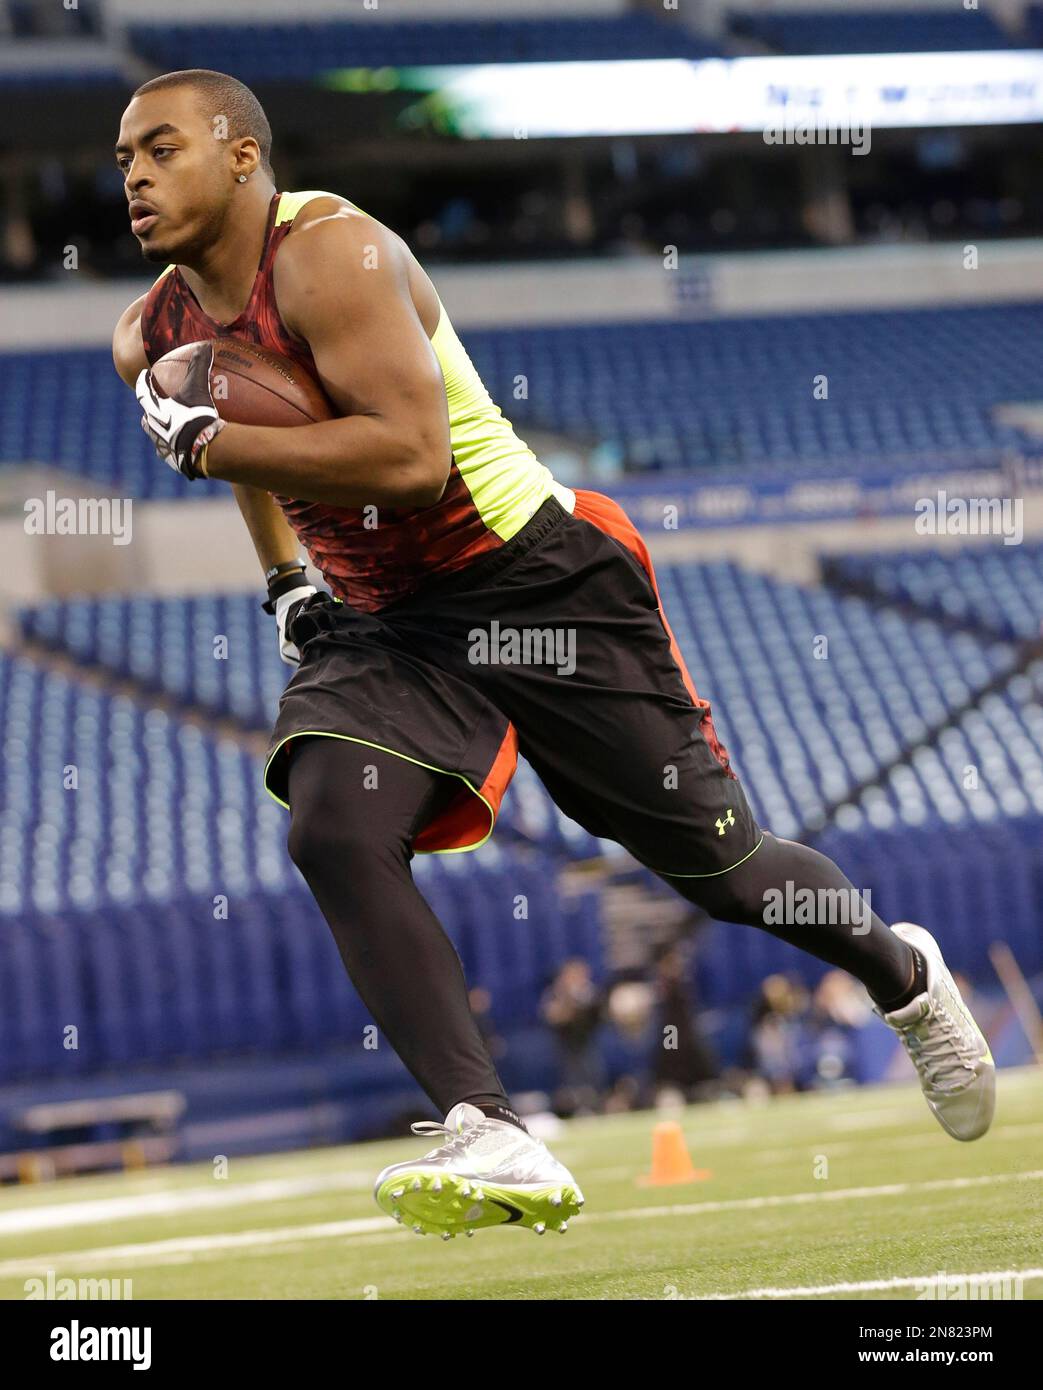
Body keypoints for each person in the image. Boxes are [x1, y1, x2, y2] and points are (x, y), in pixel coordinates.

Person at [112, 68, 995, 1241]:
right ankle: (489, 1124)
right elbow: (254, 450)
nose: (130, 174)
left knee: (725, 872)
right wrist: (286, 582)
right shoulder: (151, 335)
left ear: (240, 158)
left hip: (534, 574)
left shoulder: (335, 255)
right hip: (390, 618)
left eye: (160, 148)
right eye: (122, 155)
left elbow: (413, 459)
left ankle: (901, 974)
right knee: (329, 820)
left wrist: (220, 450)